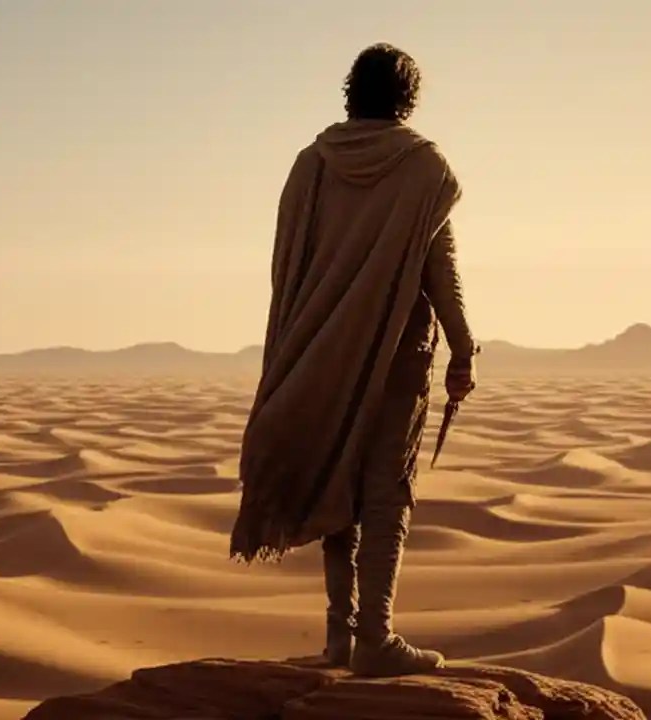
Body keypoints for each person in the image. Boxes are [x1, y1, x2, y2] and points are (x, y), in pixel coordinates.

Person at [230, 43, 477, 678]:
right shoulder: (422, 168)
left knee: (338, 478)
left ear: (352, 90)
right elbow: (437, 266)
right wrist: (461, 344)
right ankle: (376, 638)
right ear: (409, 97)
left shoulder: (312, 164)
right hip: (395, 356)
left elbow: (290, 268)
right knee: (384, 494)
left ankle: (341, 637)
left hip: (318, 352)